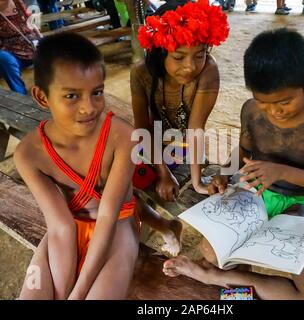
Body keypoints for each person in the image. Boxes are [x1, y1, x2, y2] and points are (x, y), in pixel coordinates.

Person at [163, 28, 304, 300]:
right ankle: (228, 283)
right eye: (264, 103)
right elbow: (243, 149)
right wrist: (225, 173)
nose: (274, 111)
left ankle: (219, 277)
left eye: (285, 102)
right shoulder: (250, 109)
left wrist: (281, 172)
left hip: (294, 202)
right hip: (250, 195)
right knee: (213, 253)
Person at [14, 32, 181, 300]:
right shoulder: (27, 155)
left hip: (116, 227)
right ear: (42, 97)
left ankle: (165, 225)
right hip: (64, 232)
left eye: (97, 92)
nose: (88, 108)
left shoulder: (121, 137)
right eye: (71, 96)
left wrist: (78, 293)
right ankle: (164, 225)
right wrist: (64, 291)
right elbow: (61, 227)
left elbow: (106, 217)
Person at [131, 0, 229, 201]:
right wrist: (163, 173)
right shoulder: (140, 73)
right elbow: (141, 129)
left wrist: (197, 182)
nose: (189, 67)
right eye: (178, 57)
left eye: (199, 55)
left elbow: (195, 128)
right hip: (151, 143)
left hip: (184, 147)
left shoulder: (208, 71)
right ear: (160, 52)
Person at [0, 0, 41, 95]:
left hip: (32, 45)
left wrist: (40, 38)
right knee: (4, 58)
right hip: (11, 51)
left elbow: (32, 23)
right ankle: (21, 96)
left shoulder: (18, 3)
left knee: (55, 46)